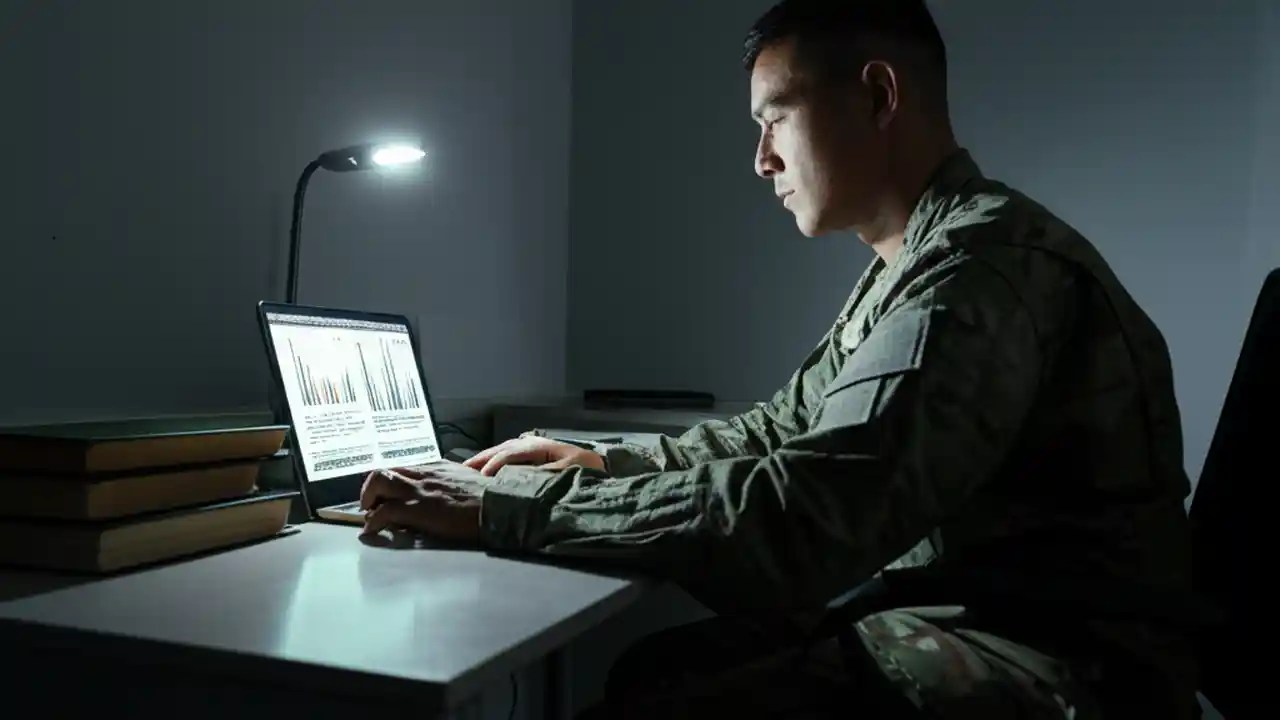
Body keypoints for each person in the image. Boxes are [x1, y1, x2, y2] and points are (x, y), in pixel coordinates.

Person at [358, 0, 1205, 717]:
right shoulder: (918, 264)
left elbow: (807, 518)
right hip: (978, 618)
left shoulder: (979, 272)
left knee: (666, 697)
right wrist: (601, 461)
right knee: (655, 673)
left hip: (1066, 669)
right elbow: (781, 431)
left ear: (877, 95)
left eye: (776, 120)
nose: (762, 160)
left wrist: (512, 511)